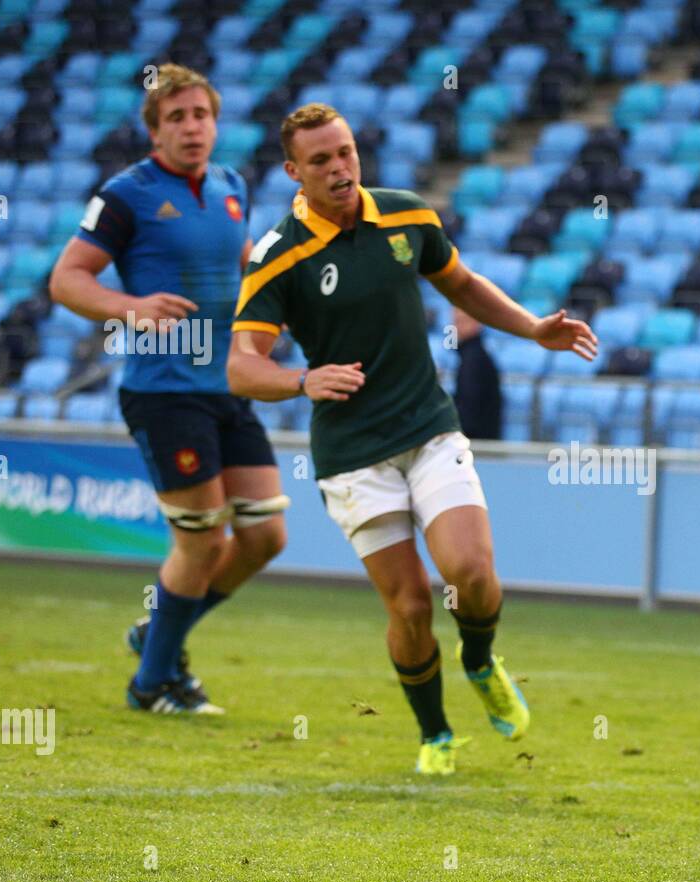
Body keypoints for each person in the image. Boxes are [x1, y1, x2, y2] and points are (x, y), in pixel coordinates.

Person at [226, 103, 598, 774]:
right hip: (351, 453)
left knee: (472, 573)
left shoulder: (407, 214)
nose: (339, 168)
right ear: (293, 172)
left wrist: (532, 326)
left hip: (427, 424)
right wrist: (301, 380)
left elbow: (461, 283)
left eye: (345, 152)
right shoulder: (277, 256)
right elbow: (241, 367)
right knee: (410, 602)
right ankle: (436, 736)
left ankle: (481, 659)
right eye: (320, 161)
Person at [50, 64, 287, 715]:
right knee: (203, 540)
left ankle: (158, 634)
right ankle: (152, 682)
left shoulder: (233, 187)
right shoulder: (126, 194)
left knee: (266, 536)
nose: (191, 126)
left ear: (216, 123)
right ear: (154, 129)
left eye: (200, 115)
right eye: (176, 117)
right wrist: (130, 307)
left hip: (227, 384)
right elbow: (66, 280)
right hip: (164, 391)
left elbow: (241, 262)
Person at [451, 308, 503, 440]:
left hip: (477, 445)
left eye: (461, 321)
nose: (456, 327)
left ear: (477, 323)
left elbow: (468, 408)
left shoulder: (473, 359)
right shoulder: (472, 356)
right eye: (455, 322)